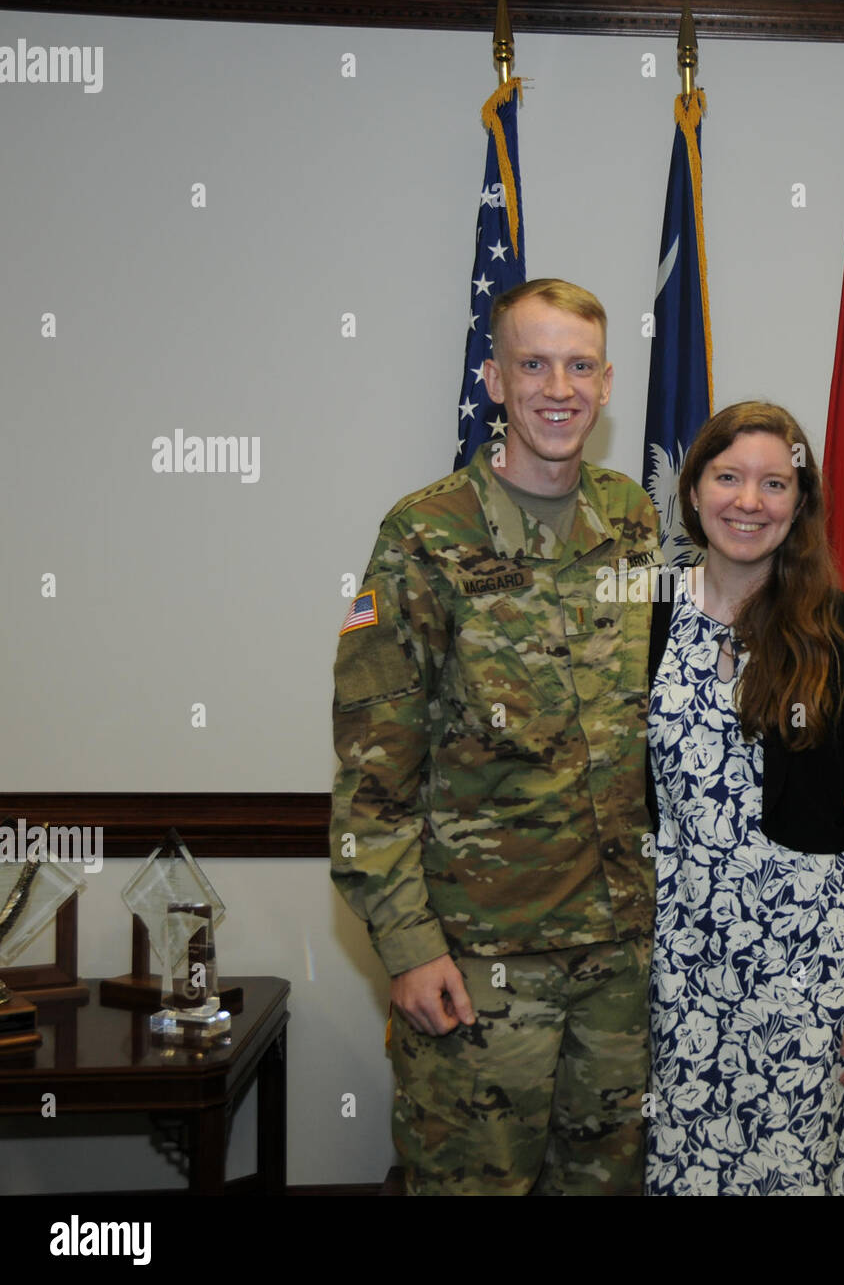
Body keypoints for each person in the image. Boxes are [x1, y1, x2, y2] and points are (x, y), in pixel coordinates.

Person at [329, 278, 663, 1195]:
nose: (559, 387)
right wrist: (409, 947)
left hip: (620, 962)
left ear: (605, 383)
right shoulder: (424, 536)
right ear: (494, 380)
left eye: (580, 365)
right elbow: (372, 777)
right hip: (479, 967)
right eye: (533, 363)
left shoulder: (635, 525)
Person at [643, 401, 844, 1195]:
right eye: (728, 477)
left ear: (800, 504)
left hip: (809, 974)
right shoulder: (640, 619)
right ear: (693, 490)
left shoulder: (843, 634)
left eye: (774, 483)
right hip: (677, 968)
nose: (748, 501)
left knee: (796, 1174)